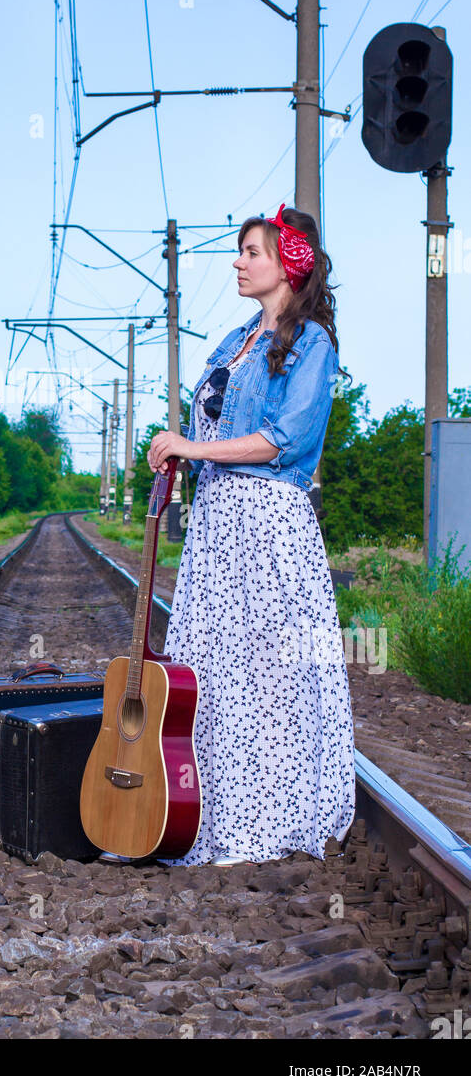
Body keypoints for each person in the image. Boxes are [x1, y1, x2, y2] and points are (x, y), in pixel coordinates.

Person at [147, 204, 356, 867]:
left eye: (252, 252)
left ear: (289, 265)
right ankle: (205, 820)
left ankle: (267, 826)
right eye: (239, 251)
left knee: (268, 676)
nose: (238, 262)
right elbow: (207, 427)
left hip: (268, 527)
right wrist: (174, 449)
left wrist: (193, 447)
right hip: (216, 527)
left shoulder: (313, 343)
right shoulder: (232, 340)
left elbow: (282, 440)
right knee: (212, 676)